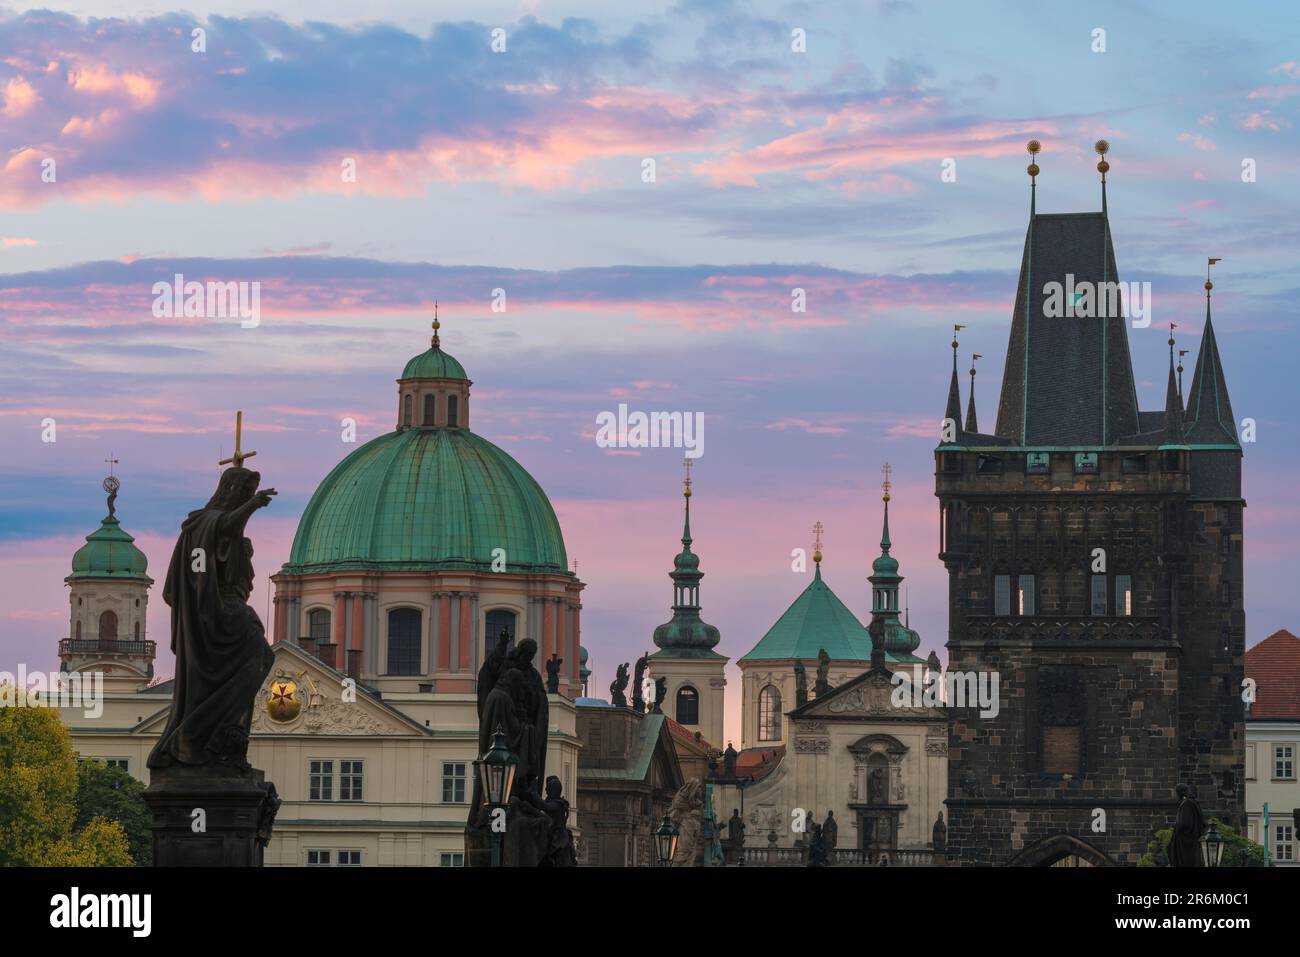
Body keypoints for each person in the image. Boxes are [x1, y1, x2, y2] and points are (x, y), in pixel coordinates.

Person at [148, 467, 276, 771]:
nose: (246, 497)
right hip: (214, 610)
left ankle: (219, 731)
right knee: (261, 655)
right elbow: (225, 526)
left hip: (222, 609)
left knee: (259, 658)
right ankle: (204, 731)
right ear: (233, 491)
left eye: (249, 494)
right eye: (244, 493)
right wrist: (253, 506)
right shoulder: (205, 523)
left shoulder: (208, 527)